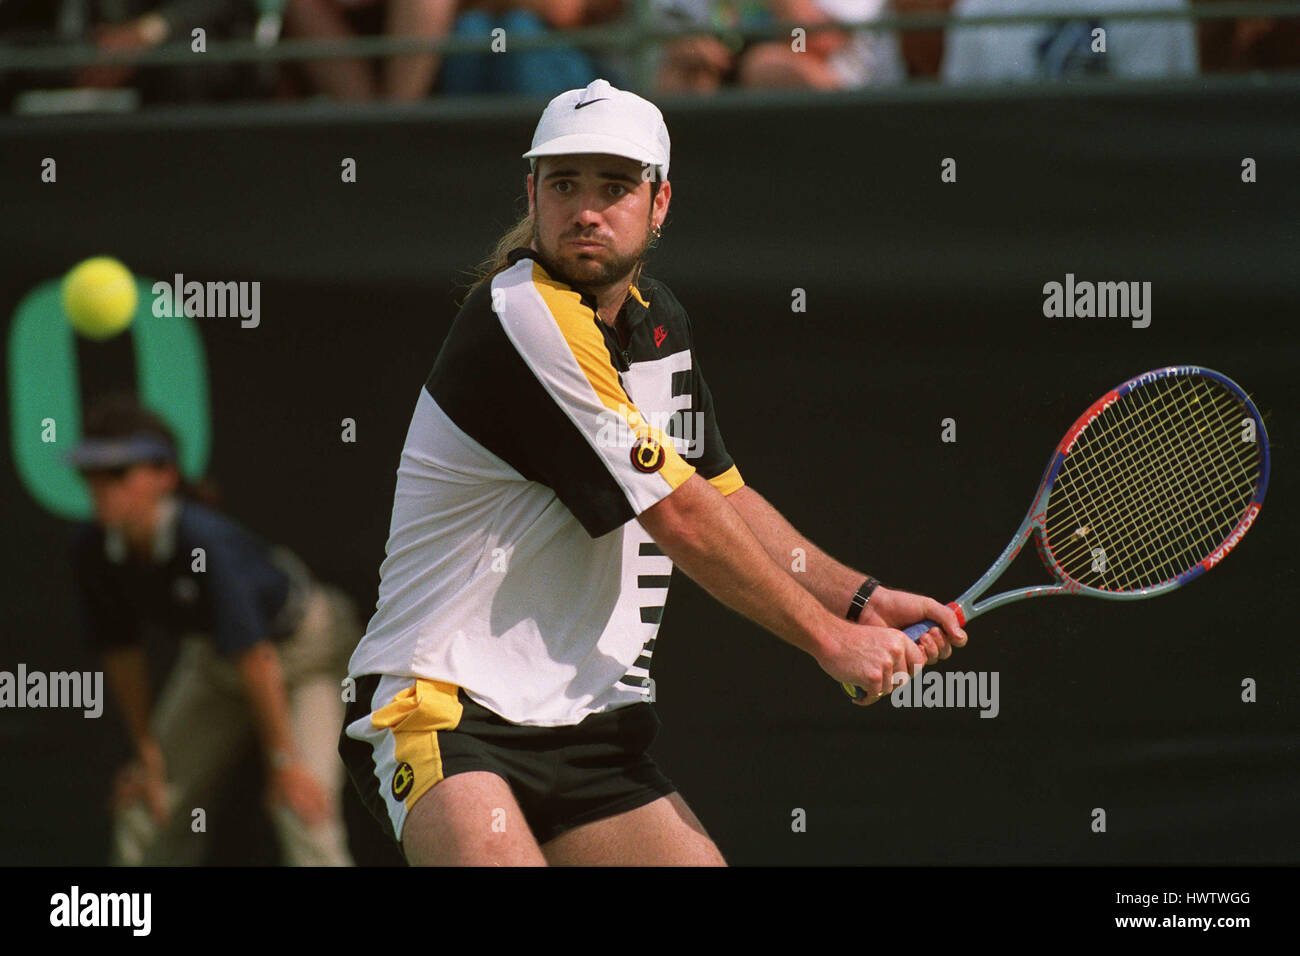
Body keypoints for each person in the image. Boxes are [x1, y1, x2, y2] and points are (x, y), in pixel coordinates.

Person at [340, 77, 968, 866]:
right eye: (564, 184)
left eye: (616, 186)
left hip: (592, 728)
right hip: (441, 705)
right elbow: (681, 517)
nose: (587, 209)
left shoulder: (659, 323)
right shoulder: (521, 315)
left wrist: (861, 598)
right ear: (531, 192)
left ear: (659, 202)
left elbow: (723, 496)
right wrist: (830, 641)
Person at [69, 394, 358, 866]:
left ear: (163, 476)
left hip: (309, 654)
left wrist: (284, 764)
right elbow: (121, 652)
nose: (100, 486)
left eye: (118, 473)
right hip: (217, 665)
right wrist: (146, 752)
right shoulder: (91, 549)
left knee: (302, 807)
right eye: (90, 473)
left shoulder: (204, 540)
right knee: (146, 800)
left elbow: (255, 655)